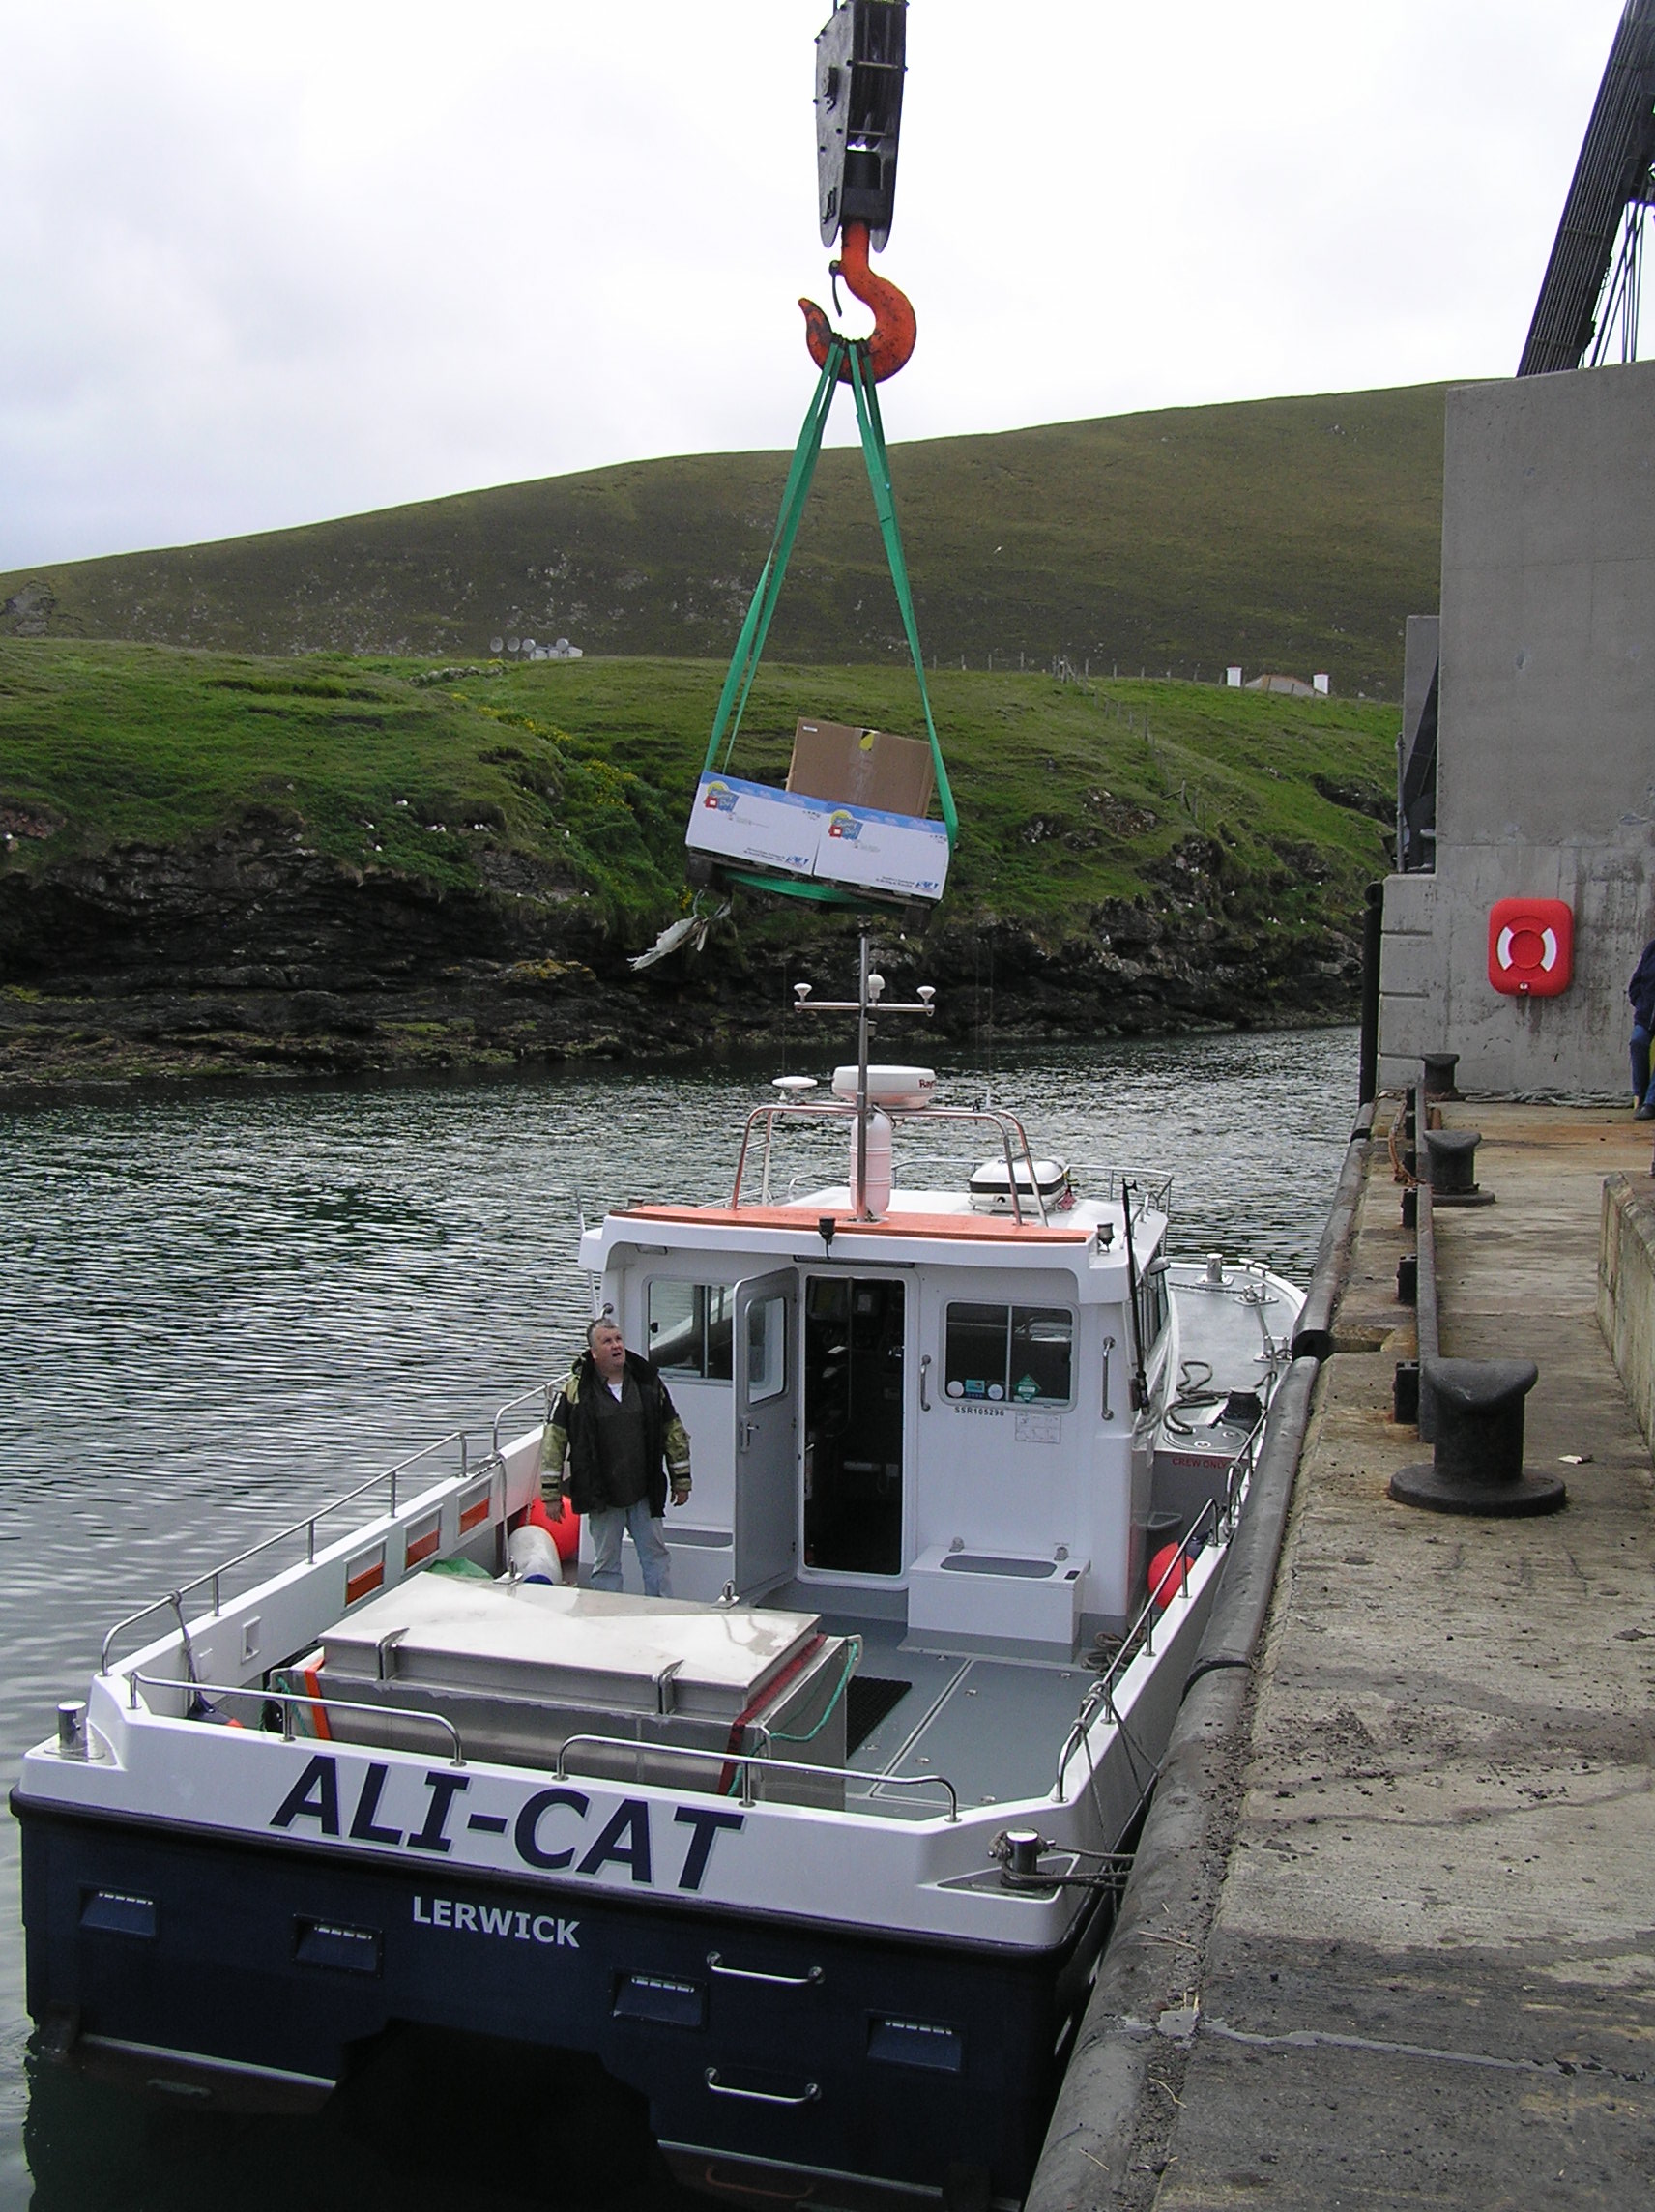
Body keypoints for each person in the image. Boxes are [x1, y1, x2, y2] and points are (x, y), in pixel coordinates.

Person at [540, 1317, 691, 1597]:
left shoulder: (648, 1383)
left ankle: (662, 1611)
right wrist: (550, 1494)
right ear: (593, 1353)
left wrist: (681, 1480)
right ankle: (606, 1614)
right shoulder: (574, 1391)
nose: (616, 1346)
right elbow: (554, 1442)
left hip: (644, 1491)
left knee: (656, 1558)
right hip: (601, 1494)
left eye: (618, 1339)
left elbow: (673, 1431)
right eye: (607, 1341)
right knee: (606, 1564)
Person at [1630, 935, 1655, 1120]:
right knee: (1637, 1042)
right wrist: (1640, 1003)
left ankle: (1651, 1103)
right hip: (1646, 1016)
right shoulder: (1652, 948)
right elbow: (1636, 981)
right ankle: (1640, 1094)